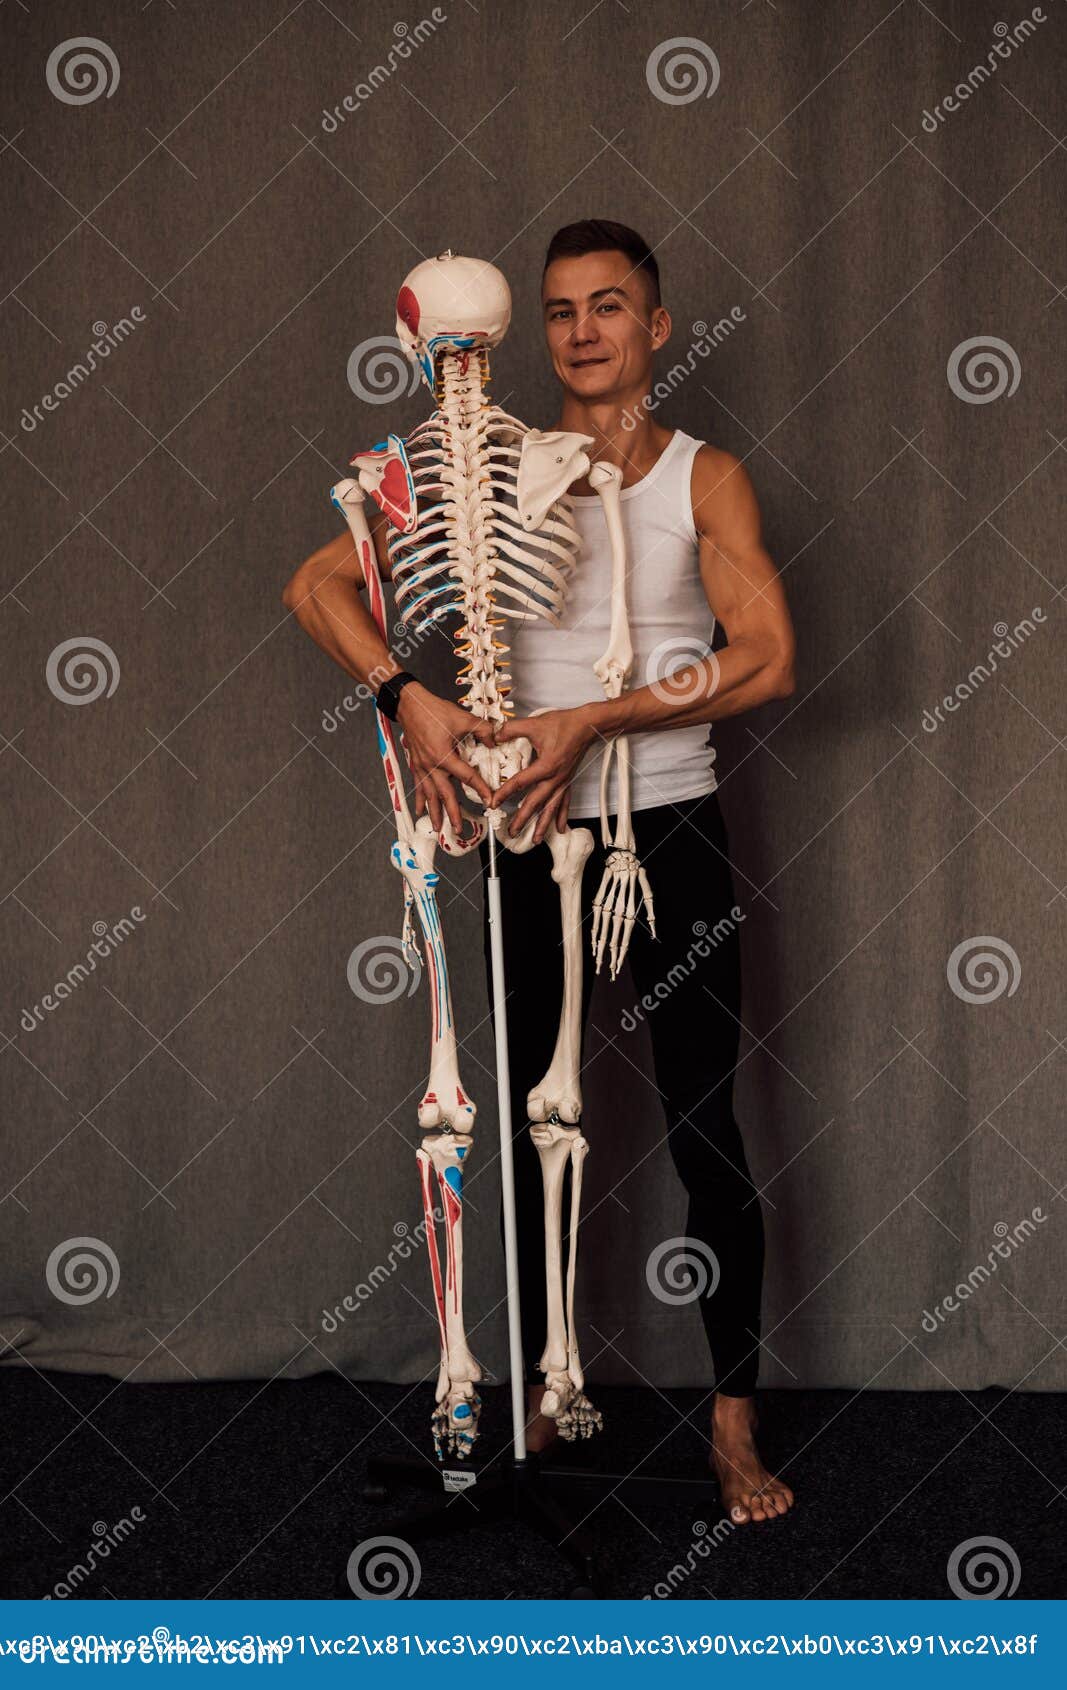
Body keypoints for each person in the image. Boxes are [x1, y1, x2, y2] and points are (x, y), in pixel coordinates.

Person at [283, 219, 797, 1524]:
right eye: (561, 309)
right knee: (516, 1128)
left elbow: (767, 659)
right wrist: (407, 698)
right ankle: (526, 1412)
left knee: (705, 1135)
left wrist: (593, 723)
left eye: (608, 306)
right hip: (519, 839)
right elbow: (315, 584)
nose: (580, 331)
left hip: (666, 837)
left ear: (656, 327)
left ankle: (732, 1431)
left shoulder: (702, 480)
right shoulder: (494, 477)